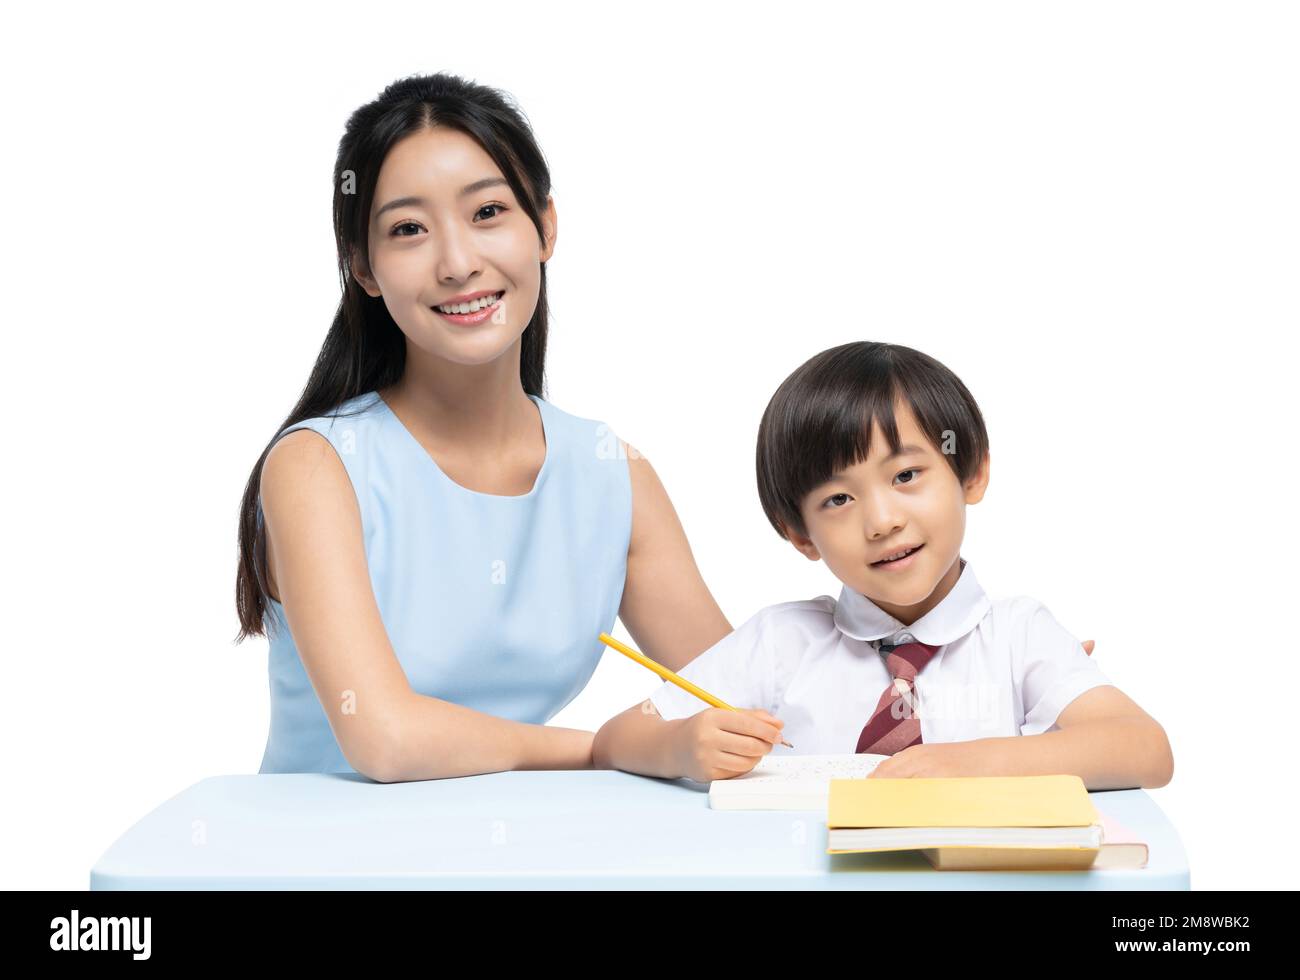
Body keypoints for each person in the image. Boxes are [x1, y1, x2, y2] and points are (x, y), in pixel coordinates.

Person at [234, 73, 731, 780]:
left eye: (488, 212)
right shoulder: (317, 467)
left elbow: (742, 693)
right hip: (322, 864)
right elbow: (385, 740)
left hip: (511, 851)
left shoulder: (608, 470)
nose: (458, 262)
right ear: (363, 268)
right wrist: (605, 749)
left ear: (546, 228)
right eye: (408, 229)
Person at [593, 342, 1173, 791]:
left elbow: (1143, 748)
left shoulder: (1019, 635)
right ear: (800, 535)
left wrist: (966, 764)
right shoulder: (780, 642)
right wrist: (681, 746)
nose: (881, 520)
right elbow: (617, 740)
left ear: (970, 474)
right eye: (838, 500)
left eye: (905, 476)